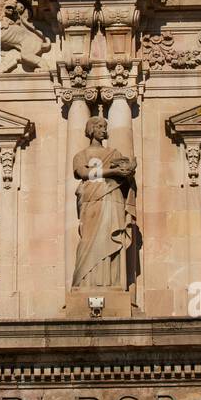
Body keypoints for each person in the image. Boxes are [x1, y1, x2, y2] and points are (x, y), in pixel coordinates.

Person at [72, 116, 136, 287]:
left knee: (110, 237)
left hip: (112, 196)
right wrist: (113, 172)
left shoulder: (114, 154)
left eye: (105, 127)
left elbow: (125, 179)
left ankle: (112, 283)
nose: (103, 130)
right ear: (91, 129)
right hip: (91, 200)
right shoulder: (81, 155)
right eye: (100, 127)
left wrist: (128, 173)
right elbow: (84, 174)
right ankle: (85, 282)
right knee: (88, 241)